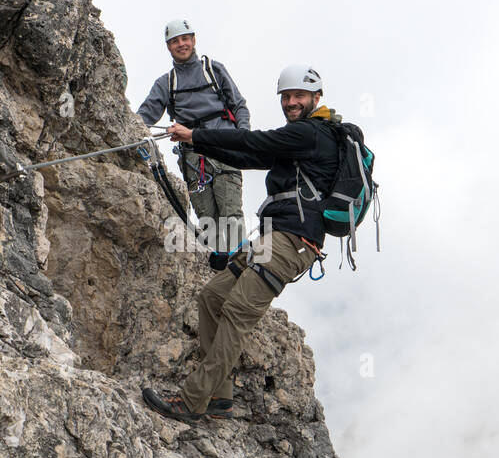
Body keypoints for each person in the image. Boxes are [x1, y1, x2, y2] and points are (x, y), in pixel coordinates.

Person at [142, 63, 350, 423]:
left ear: (317, 97)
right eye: (286, 97)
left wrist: (197, 136)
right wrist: (196, 144)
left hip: (293, 243)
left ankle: (192, 402)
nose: (291, 102)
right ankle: (219, 397)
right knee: (212, 297)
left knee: (237, 311)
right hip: (274, 238)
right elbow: (249, 155)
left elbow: (253, 141)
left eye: (298, 96)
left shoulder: (313, 134)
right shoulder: (299, 138)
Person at [136, 18, 249, 255]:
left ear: (193, 40)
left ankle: (240, 268)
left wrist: (243, 139)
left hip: (224, 151)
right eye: (175, 41)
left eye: (185, 39)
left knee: (231, 215)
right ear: (168, 47)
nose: (181, 44)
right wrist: (132, 135)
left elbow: (239, 106)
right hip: (193, 159)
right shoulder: (166, 83)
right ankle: (219, 269)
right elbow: (145, 116)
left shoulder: (213, 70)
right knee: (208, 221)